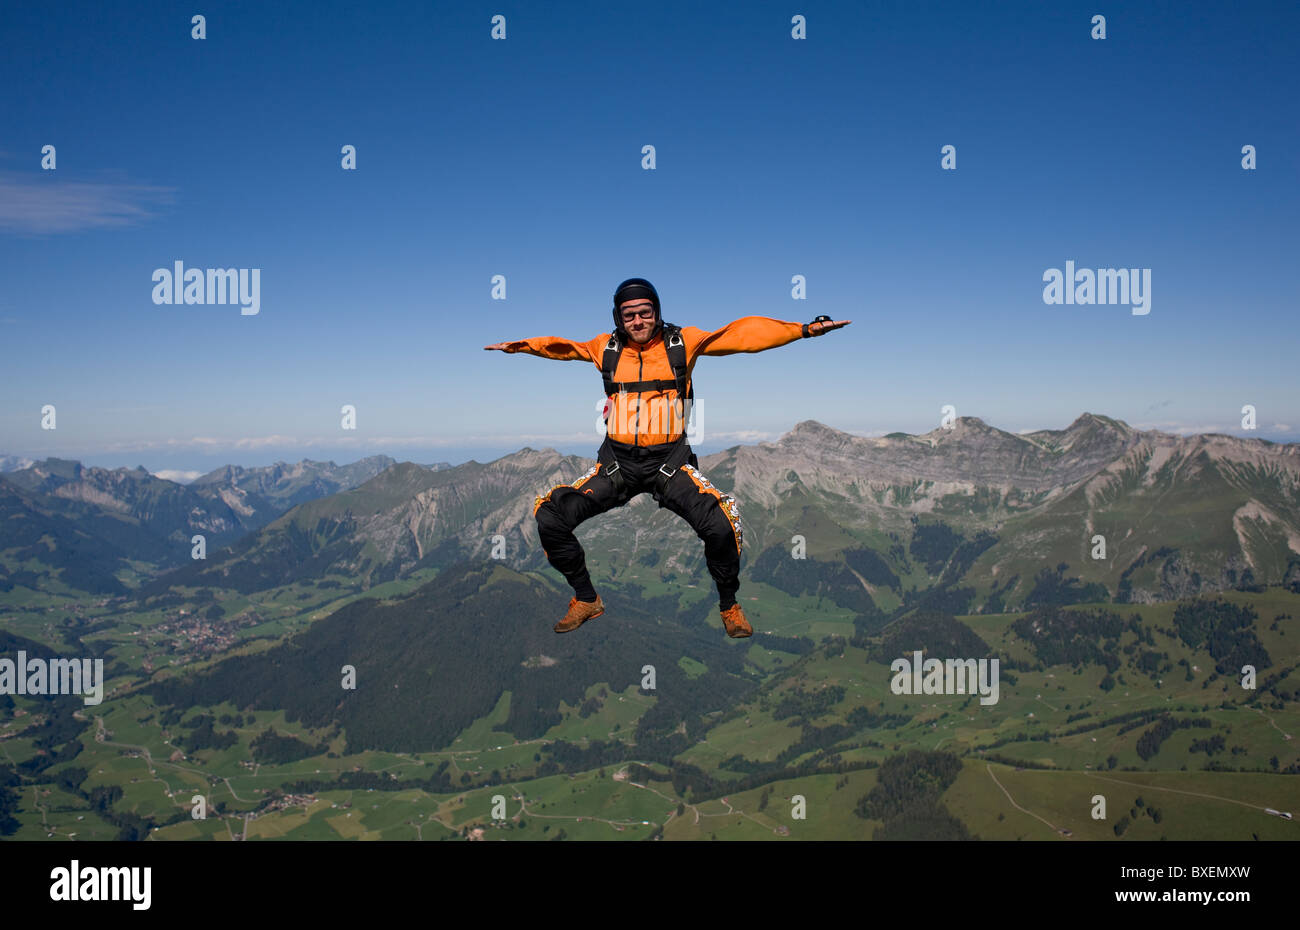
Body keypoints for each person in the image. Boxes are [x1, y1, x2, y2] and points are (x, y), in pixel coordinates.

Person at [484, 277, 849, 637]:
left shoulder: (682, 343)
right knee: (551, 517)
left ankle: (729, 605)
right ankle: (586, 598)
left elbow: (741, 335)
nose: (638, 321)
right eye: (629, 316)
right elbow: (563, 348)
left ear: (657, 312)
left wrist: (804, 329)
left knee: (720, 526)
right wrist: (520, 346)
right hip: (617, 464)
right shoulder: (605, 348)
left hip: (668, 464)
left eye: (645, 312)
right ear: (618, 318)